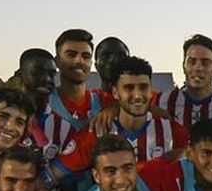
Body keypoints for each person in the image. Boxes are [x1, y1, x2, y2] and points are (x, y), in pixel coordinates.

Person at [55, 57, 189, 175]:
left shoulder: (172, 130)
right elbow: (55, 173)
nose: (137, 95)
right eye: (129, 88)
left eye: (143, 87)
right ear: (115, 92)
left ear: (150, 91)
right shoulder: (99, 130)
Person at [160, 34, 212, 130]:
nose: (198, 68)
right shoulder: (163, 102)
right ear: (183, 66)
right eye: (192, 61)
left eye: (205, 62)